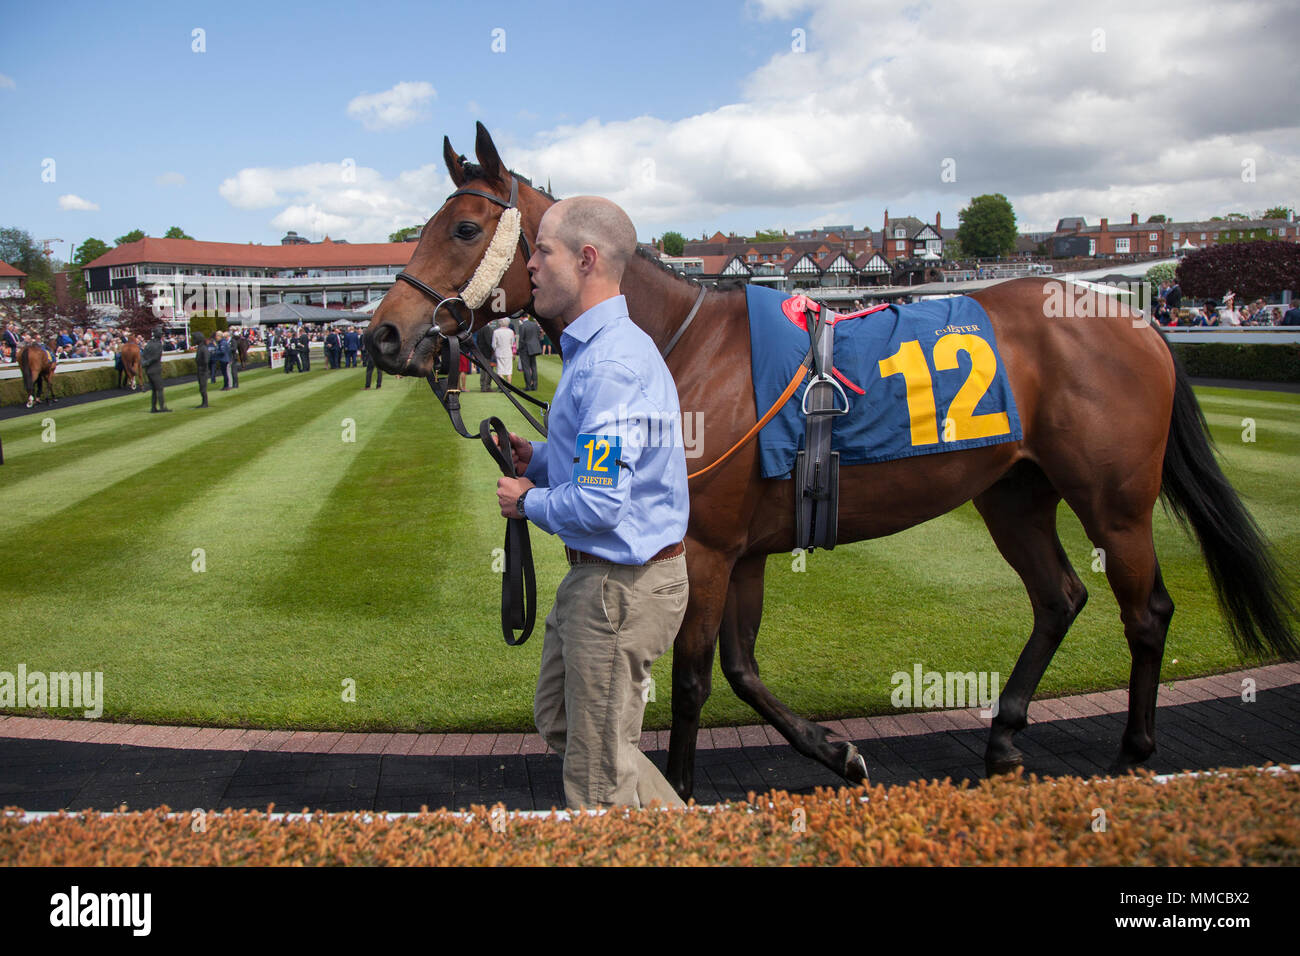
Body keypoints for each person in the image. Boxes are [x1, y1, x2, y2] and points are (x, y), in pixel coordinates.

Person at [494, 196, 689, 810]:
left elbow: (599, 504)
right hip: (606, 584)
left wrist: (529, 501)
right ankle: (693, 840)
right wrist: (542, 460)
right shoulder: (600, 351)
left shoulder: (609, 364)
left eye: (542, 250)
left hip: (617, 590)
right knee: (565, 725)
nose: (529, 264)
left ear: (585, 259)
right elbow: (595, 464)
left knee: (597, 782)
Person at [142, 328, 171, 413]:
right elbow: (156, 357)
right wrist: (147, 362)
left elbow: (143, 356)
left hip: (149, 370)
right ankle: (162, 407)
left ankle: (153, 408)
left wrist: (144, 363)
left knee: (154, 389)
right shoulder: (158, 344)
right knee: (159, 389)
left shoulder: (149, 343)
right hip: (155, 368)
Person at [517, 315, 543, 391]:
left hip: (525, 349)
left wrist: (519, 349)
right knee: (534, 367)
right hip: (534, 348)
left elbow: (521, 340)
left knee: (526, 368)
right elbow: (539, 336)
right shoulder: (535, 325)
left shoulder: (522, 326)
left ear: (521, 317)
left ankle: (528, 386)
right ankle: (535, 386)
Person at [491, 317, 515, 388]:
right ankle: (509, 386)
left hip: (499, 352)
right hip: (508, 352)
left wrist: (495, 350)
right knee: (509, 371)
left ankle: (502, 387)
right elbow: (512, 342)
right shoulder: (511, 332)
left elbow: (493, 345)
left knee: (500, 371)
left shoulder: (496, 332)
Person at [192, 331, 210, 407]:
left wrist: (203, 368)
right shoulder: (201, 347)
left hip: (203, 370)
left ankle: (205, 403)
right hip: (201, 369)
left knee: (203, 387)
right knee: (201, 387)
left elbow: (206, 360)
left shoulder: (203, 348)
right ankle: (204, 402)